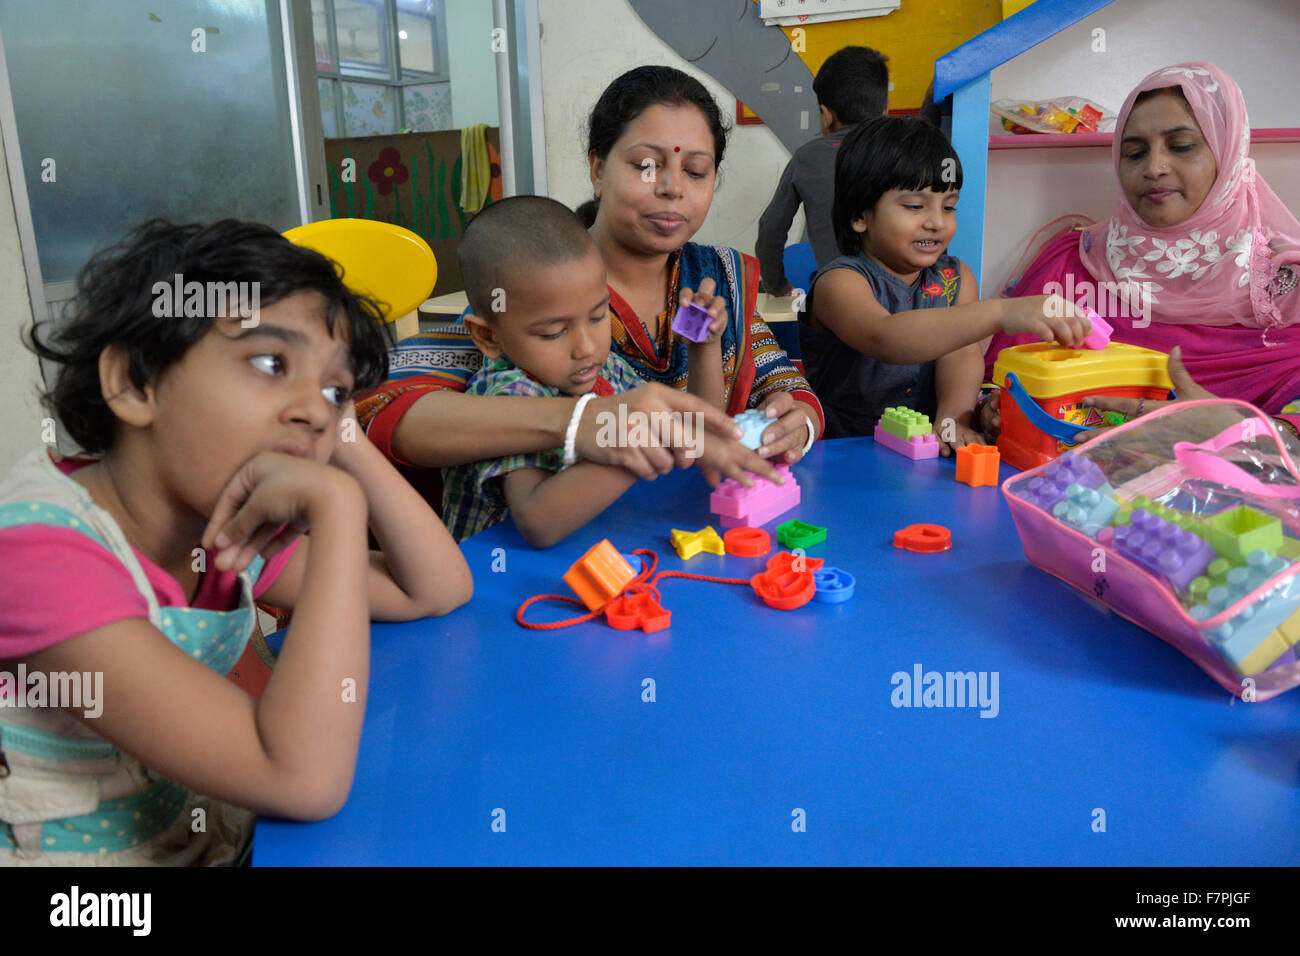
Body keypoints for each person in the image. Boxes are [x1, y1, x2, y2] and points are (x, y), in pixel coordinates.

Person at [0, 220, 472, 865]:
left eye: (336, 389)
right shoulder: (37, 551)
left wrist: (344, 439)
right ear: (136, 384)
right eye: (271, 363)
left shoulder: (219, 523)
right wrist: (337, 513)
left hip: (189, 832)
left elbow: (435, 588)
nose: (314, 410)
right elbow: (302, 780)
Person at [356, 65, 822, 491]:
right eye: (646, 165)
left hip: (690, 524)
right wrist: (592, 419)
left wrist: (797, 421)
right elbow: (388, 412)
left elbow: (779, 379)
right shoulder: (539, 278)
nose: (673, 187)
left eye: (696, 171)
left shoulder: (716, 277)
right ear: (598, 170)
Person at [980, 62, 1300, 439]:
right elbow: (998, 383)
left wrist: (1248, 434)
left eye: (1181, 147)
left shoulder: (1286, 284)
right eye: (1134, 153)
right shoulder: (1073, 264)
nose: (1154, 167)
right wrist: (994, 411)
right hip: (1076, 489)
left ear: (1227, 154)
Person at [443, 196, 728, 546]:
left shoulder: (604, 369)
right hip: (499, 581)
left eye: (597, 317)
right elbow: (538, 521)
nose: (586, 347)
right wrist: (635, 442)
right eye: (553, 332)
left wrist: (703, 348)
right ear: (489, 336)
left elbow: (695, 428)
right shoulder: (509, 391)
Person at [797, 116, 1090, 449]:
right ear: (860, 216)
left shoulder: (955, 277)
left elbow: (961, 352)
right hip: (845, 453)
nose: (936, 222)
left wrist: (952, 418)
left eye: (948, 207)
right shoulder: (840, 282)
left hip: (924, 454)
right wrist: (1000, 312)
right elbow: (885, 336)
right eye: (914, 206)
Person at [756, 46, 890, 295]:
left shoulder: (807, 158)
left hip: (838, 301)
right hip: (904, 301)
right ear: (886, 110)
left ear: (827, 115)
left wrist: (777, 286)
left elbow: (770, 229)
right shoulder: (906, 152)